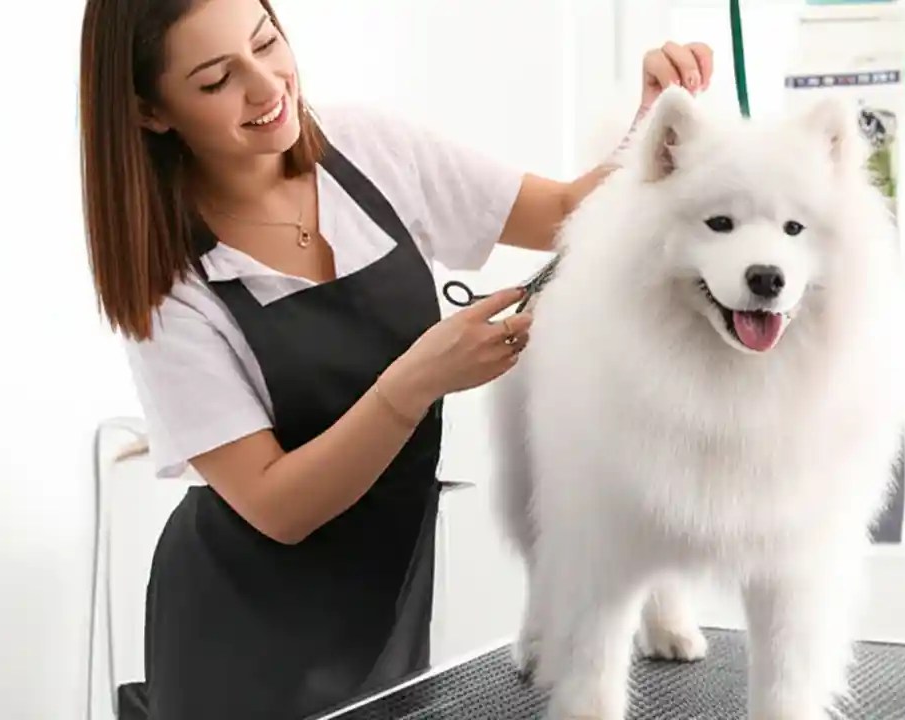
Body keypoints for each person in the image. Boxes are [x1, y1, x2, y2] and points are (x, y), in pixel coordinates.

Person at [79, 0, 714, 717]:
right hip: (239, 630)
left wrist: (650, 127)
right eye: (217, 79)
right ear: (149, 111)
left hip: (385, 593)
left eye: (267, 42)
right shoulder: (168, 287)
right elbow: (276, 506)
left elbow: (562, 212)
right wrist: (418, 380)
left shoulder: (368, 149)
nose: (266, 87)